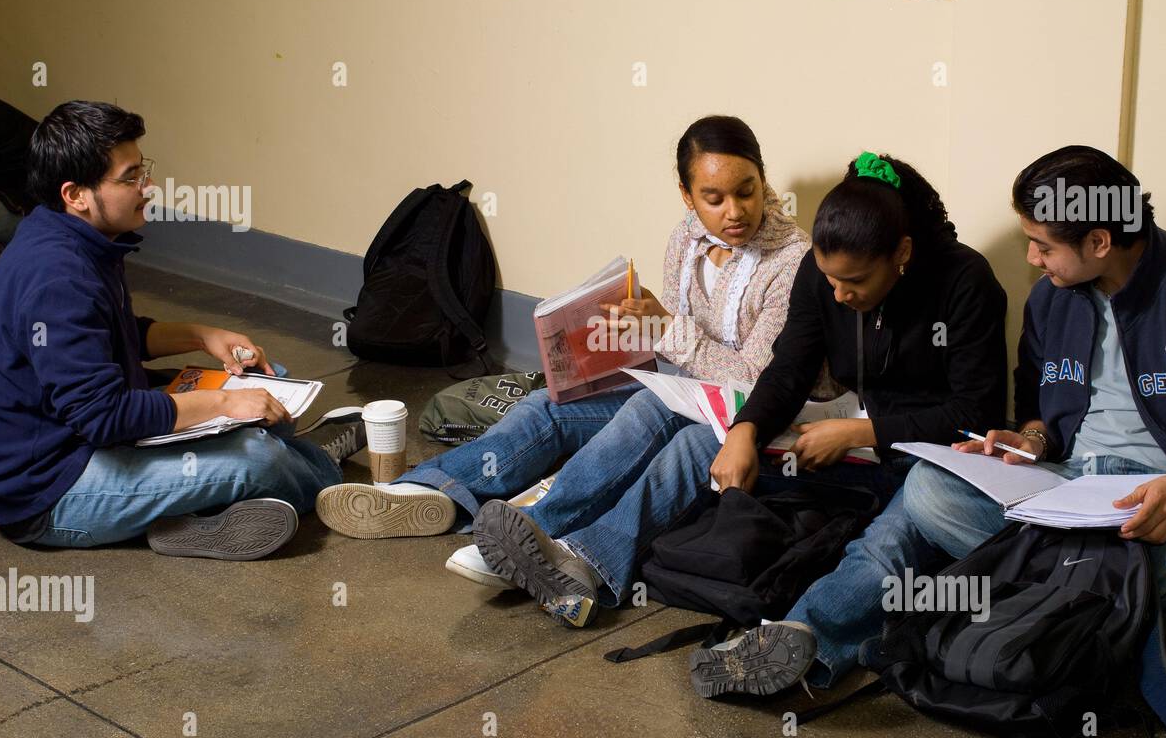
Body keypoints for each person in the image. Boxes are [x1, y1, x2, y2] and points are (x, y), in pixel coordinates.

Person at [693, 144, 1166, 700]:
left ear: (1101, 239)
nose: (1029, 258)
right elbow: (1037, 408)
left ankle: (1037, 603)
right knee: (928, 490)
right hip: (1068, 493)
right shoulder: (1053, 297)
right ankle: (1091, 611)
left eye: (1042, 245)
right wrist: (1029, 440)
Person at [476, 152, 1009, 632]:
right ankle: (584, 566)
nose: (840, 295)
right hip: (851, 444)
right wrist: (745, 431)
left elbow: (975, 413)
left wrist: (860, 431)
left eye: (856, 283)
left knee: (888, 542)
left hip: (925, 460)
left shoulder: (965, 283)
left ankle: (797, 641)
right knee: (697, 444)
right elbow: (787, 370)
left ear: (903, 253)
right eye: (830, 281)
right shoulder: (819, 276)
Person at [315, 116, 811, 599]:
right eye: (713, 198)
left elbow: (756, 377)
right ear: (687, 196)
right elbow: (676, 339)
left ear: (763, 178)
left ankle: (534, 531)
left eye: (746, 190)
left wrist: (663, 329)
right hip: (676, 389)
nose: (734, 211)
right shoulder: (686, 235)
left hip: (743, 413)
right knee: (547, 406)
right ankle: (433, 491)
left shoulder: (791, 261)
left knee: (652, 423)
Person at [0, 101, 363, 560]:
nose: (147, 187)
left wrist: (202, 335)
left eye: (141, 171)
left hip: (84, 438)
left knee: (262, 380)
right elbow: (102, 417)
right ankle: (328, 478)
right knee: (257, 456)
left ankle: (191, 518)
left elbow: (107, 335)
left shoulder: (65, 234)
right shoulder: (57, 276)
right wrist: (222, 403)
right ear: (76, 194)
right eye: (129, 178)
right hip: (53, 490)